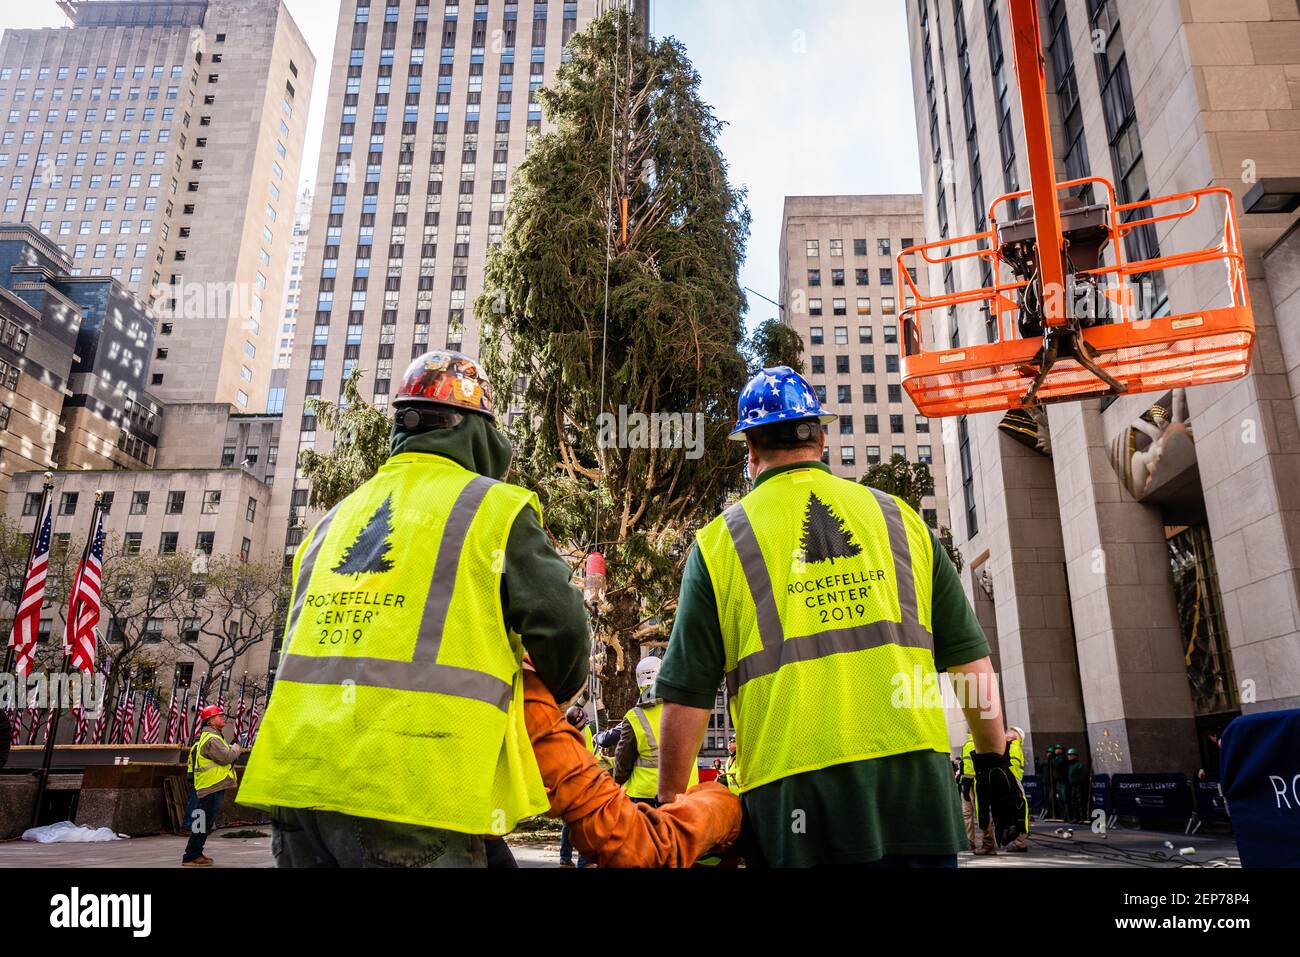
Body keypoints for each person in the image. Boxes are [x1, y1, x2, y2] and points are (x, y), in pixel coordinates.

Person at [653, 366, 1024, 867]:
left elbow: (686, 696)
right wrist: (994, 761)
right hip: (914, 789)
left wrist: (672, 810)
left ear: (751, 452)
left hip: (794, 797)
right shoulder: (901, 520)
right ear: (822, 439)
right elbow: (969, 664)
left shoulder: (720, 544)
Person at [237, 352, 591, 868]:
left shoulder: (329, 524)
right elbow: (563, 632)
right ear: (477, 433)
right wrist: (547, 697)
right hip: (413, 788)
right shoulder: (494, 508)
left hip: (299, 783)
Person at [613, 656, 699, 804]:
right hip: (686, 794)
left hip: (646, 796)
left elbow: (623, 762)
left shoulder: (634, 717)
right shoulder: (685, 707)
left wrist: (616, 781)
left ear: (639, 682)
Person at [182, 705, 242, 867]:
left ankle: (194, 853)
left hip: (207, 786)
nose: (223, 718)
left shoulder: (207, 738)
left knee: (202, 822)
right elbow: (227, 757)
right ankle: (191, 856)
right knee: (203, 822)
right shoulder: (212, 739)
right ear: (211, 721)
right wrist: (236, 747)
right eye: (219, 716)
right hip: (210, 787)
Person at [559, 705, 591, 868]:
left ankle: (565, 859)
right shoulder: (583, 734)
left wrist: (583, 700)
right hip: (583, 784)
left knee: (568, 822)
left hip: (568, 783)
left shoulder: (566, 733)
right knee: (584, 822)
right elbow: (603, 723)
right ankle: (583, 862)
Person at [959, 731, 994, 855]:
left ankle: (987, 844)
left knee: (978, 813)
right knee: (970, 813)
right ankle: (971, 842)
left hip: (974, 783)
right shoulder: (972, 743)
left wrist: (966, 781)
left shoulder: (972, 743)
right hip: (971, 782)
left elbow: (970, 765)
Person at [1005, 727, 1029, 852]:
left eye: (1009, 732)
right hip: (1012, 782)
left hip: (1012, 783)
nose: (1005, 733)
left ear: (1015, 736)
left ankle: (1019, 842)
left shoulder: (1013, 748)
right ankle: (1017, 840)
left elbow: (1011, 769)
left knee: (1018, 812)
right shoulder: (1012, 747)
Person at [1066, 747, 1088, 823]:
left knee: (1080, 801)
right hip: (1072, 786)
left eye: (1070, 755)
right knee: (1073, 802)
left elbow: (1084, 775)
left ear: (1075, 756)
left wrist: (1078, 781)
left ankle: (1083, 817)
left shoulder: (1079, 765)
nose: (1068, 756)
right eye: (1068, 754)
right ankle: (1076, 817)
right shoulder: (1069, 765)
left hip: (1080, 786)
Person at [1052, 744, 1070, 822]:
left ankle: (1067, 815)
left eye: (1057, 749)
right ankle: (1063, 815)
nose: (1055, 750)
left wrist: (1052, 758)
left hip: (1063, 780)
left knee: (1064, 798)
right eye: (1055, 749)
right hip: (1058, 781)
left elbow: (1056, 764)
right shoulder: (1056, 758)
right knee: (1060, 798)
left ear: (1061, 750)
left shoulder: (1063, 758)